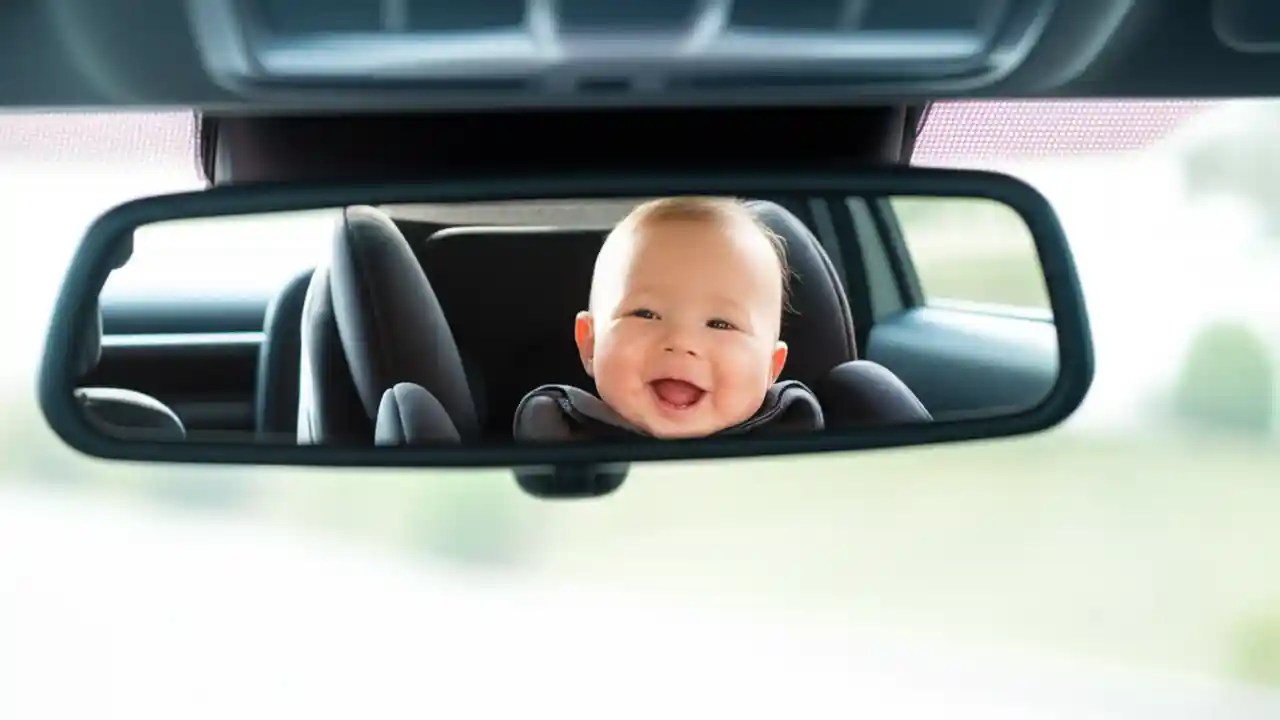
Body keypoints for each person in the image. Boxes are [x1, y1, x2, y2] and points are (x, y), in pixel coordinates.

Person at [513, 196, 823, 441]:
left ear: (772, 368)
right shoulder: (560, 433)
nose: (681, 342)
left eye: (720, 324)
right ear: (589, 344)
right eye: (645, 314)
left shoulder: (793, 439)